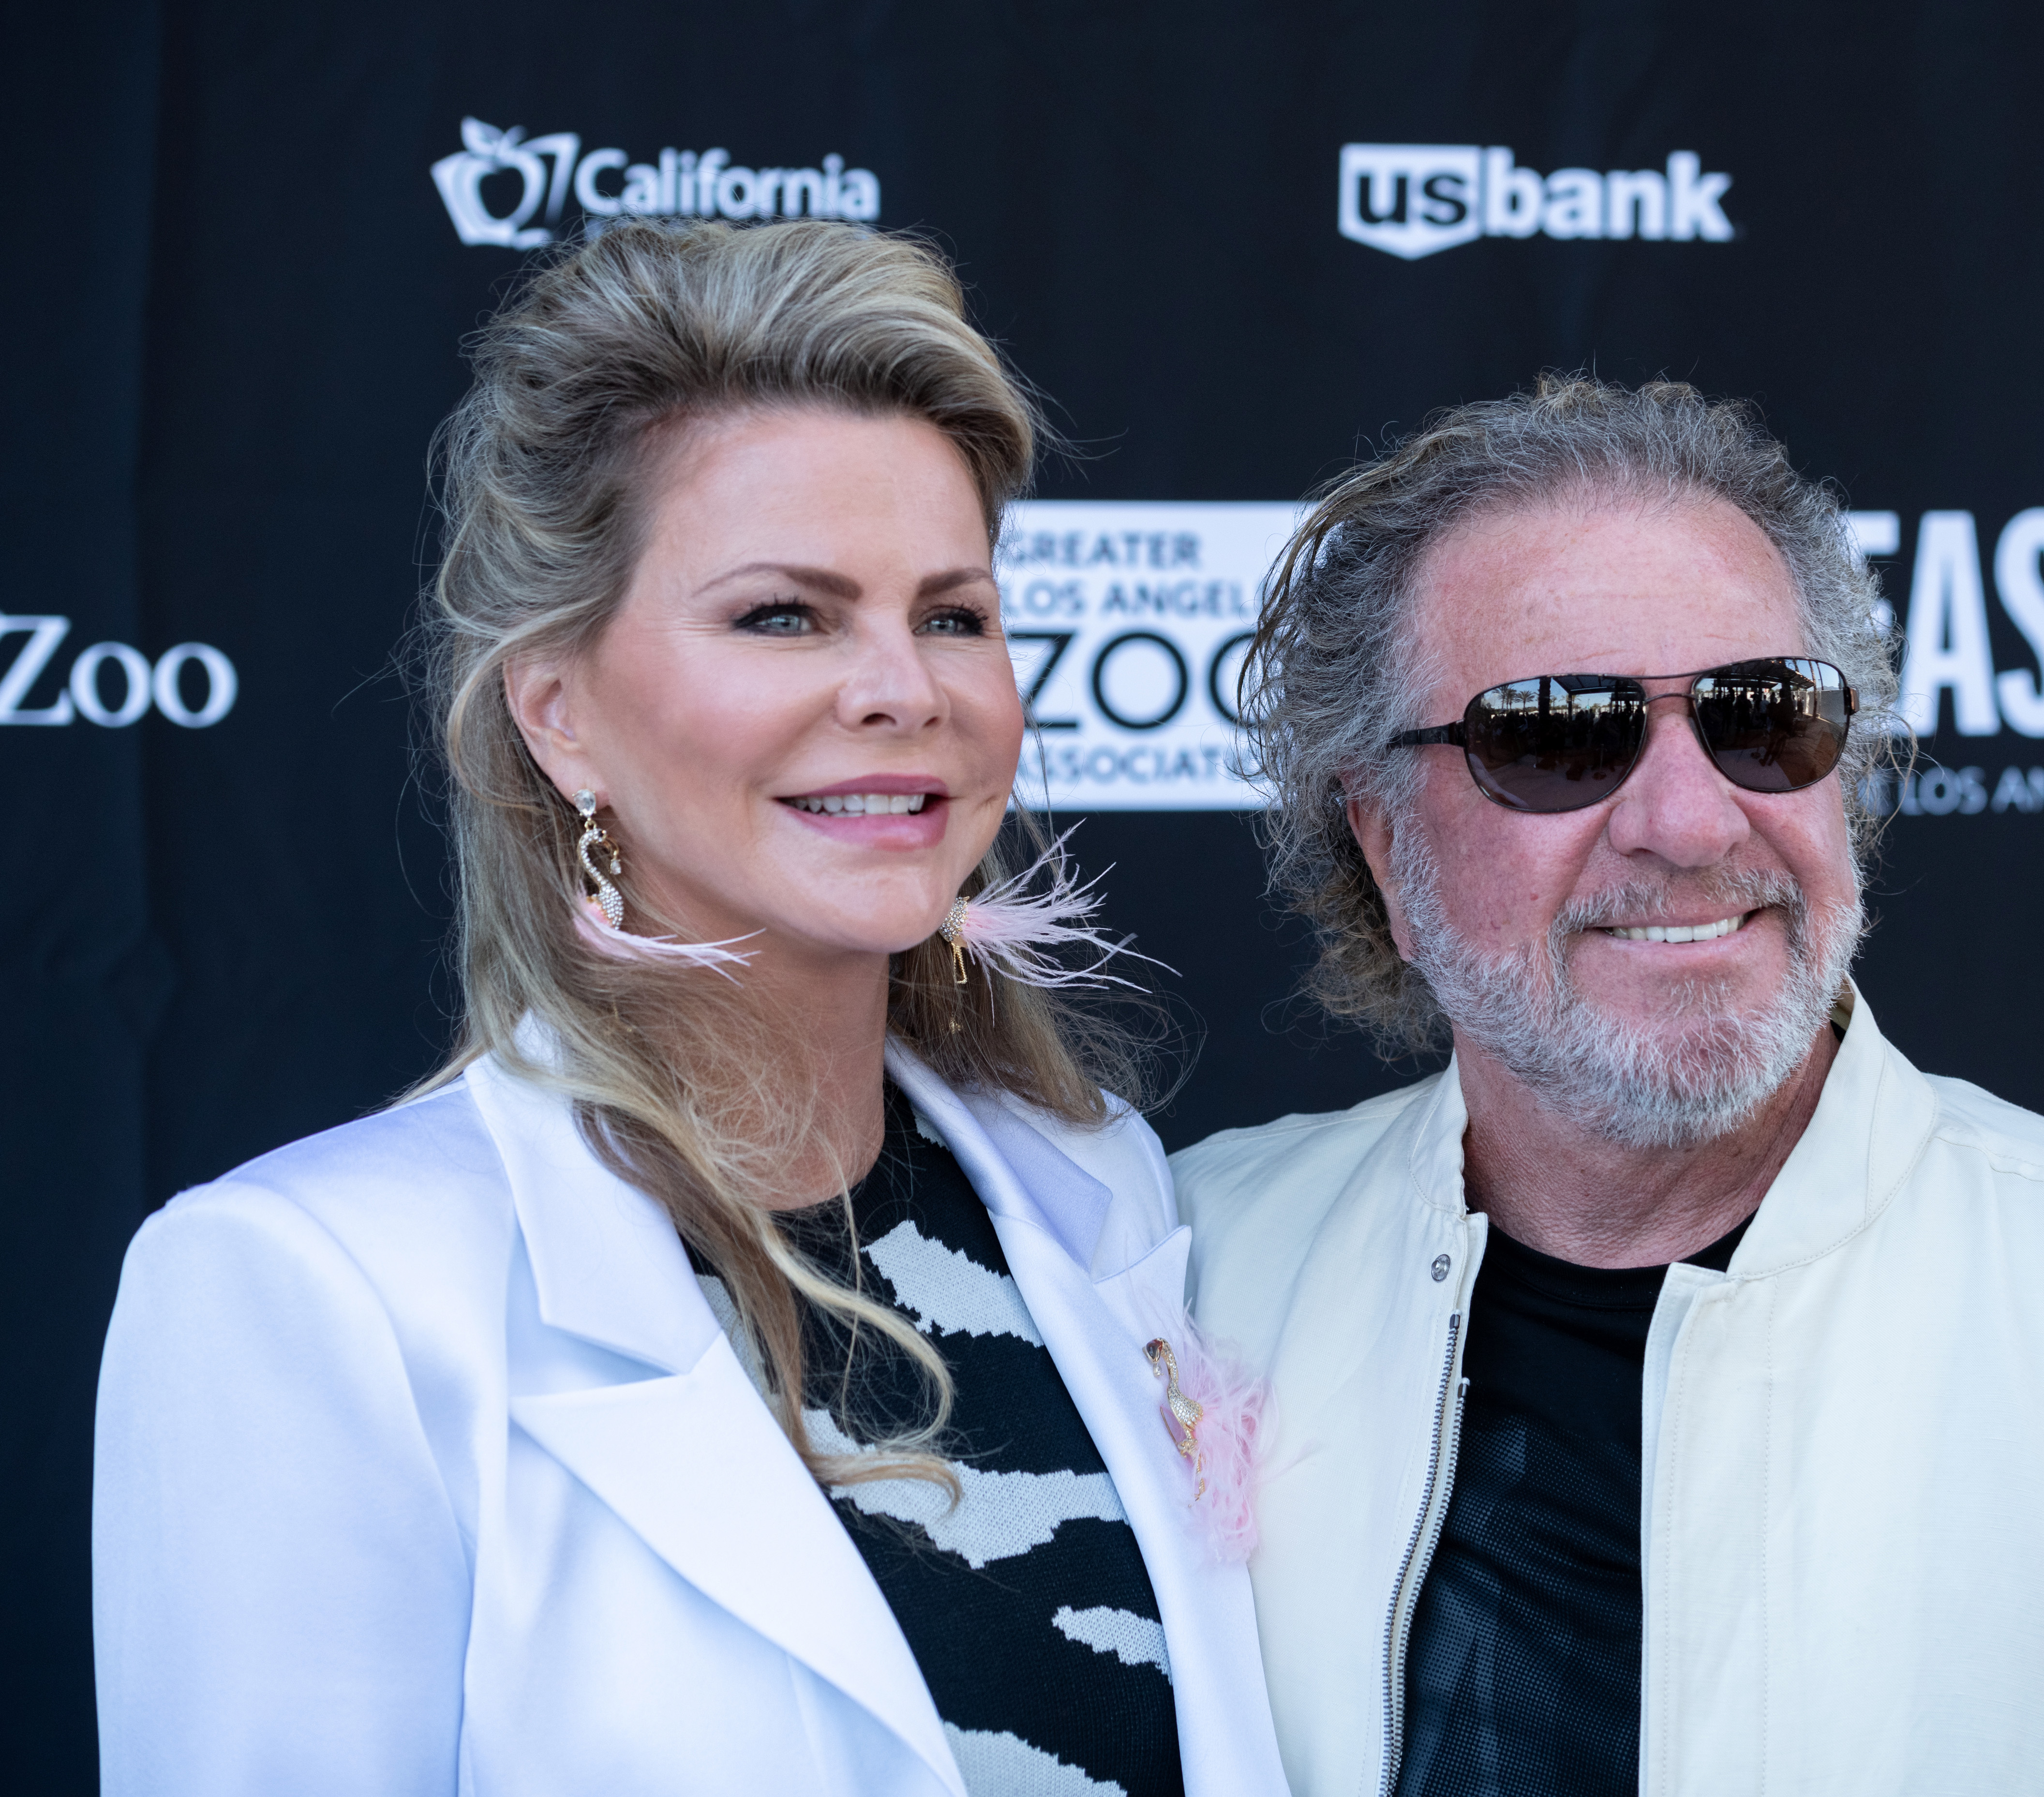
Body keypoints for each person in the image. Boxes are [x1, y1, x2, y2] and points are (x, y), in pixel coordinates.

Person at [1174, 376, 2044, 1795]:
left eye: (1761, 717)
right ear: (1386, 848)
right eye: (1559, 735)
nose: (1690, 821)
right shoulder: (1190, 1275)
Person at [93, 220, 1284, 1797]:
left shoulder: (1099, 1191)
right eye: (784, 615)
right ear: (559, 710)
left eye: (953, 612)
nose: (902, 689)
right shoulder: (319, 1293)